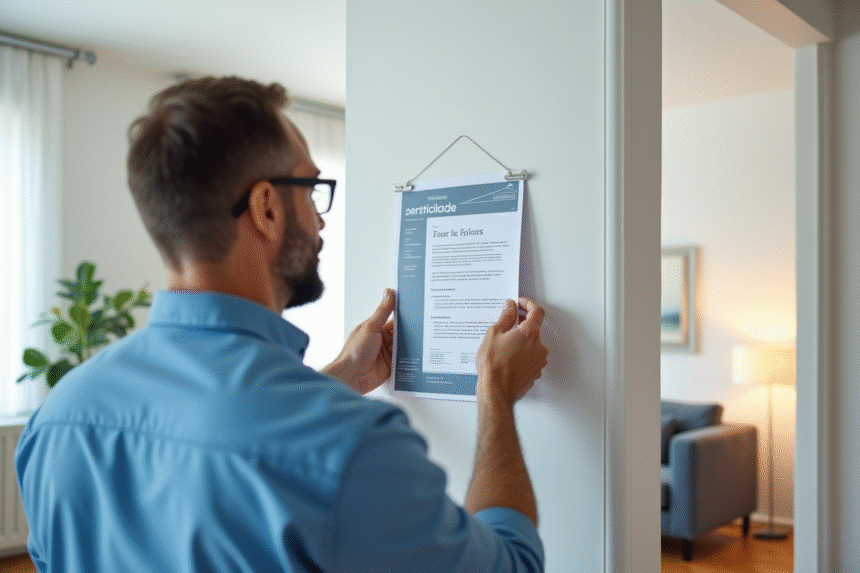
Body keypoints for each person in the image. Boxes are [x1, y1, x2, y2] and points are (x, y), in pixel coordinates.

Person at [15, 76, 549, 572]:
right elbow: (513, 565)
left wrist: (343, 372)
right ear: (266, 208)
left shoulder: (59, 419)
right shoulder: (350, 444)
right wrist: (495, 394)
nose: (320, 221)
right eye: (311, 190)